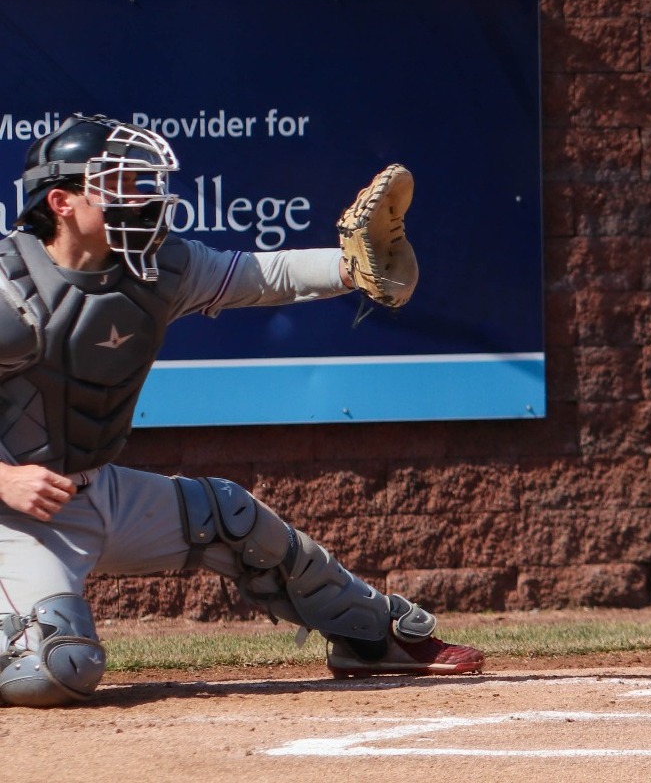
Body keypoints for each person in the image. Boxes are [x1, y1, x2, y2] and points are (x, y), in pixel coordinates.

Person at [0, 116, 483, 707]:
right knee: (62, 668)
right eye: (122, 183)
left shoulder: (158, 268)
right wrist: (4, 478)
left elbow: (263, 274)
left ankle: (369, 635)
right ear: (62, 201)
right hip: (13, 517)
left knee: (230, 516)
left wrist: (351, 267)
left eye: (145, 182)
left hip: (94, 490)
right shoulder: (8, 287)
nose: (145, 198)